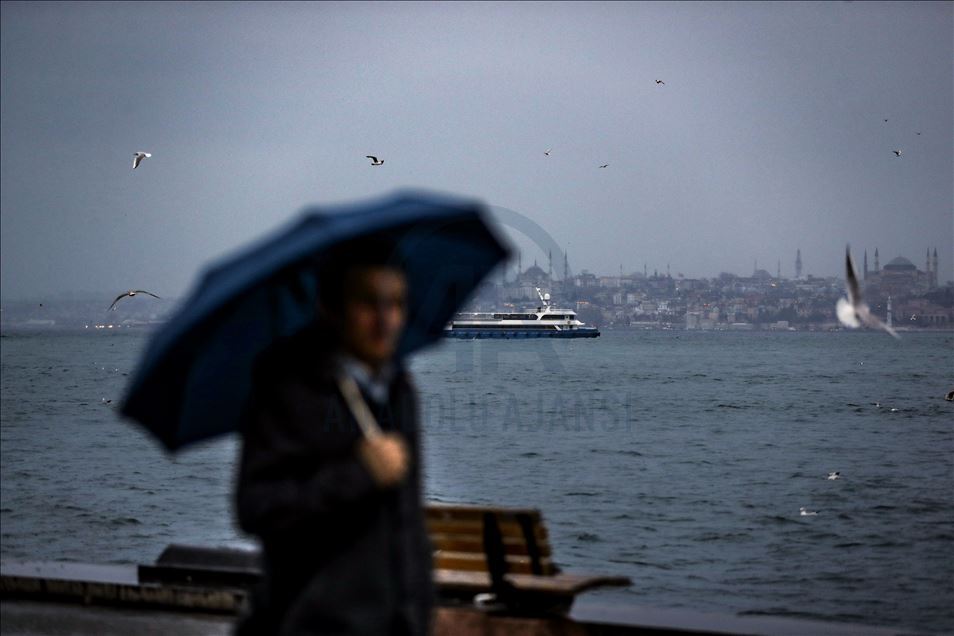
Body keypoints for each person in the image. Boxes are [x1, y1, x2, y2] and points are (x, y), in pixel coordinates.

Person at [235, 238, 434, 635]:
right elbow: (256, 508)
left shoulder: (399, 391)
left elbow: (407, 525)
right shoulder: (288, 388)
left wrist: (415, 615)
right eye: (369, 303)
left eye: (396, 303)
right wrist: (359, 473)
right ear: (331, 308)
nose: (385, 320)